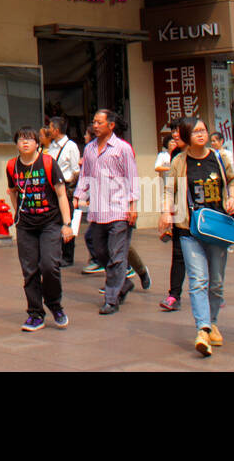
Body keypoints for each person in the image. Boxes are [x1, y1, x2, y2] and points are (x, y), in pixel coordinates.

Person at [160, 116, 234, 356]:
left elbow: (233, 181)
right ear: (186, 137)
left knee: (216, 282)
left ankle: (212, 321)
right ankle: (202, 329)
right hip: (189, 229)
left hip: (217, 228)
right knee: (198, 280)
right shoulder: (179, 161)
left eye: (203, 130)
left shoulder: (219, 157)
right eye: (195, 132)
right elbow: (169, 189)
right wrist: (165, 212)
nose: (201, 134)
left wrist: (233, 197)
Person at [6, 127, 73, 331]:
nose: (25, 142)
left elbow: (61, 194)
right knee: (30, 271)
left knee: (50, 266)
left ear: (37, 143)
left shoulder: (48, 162)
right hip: (26, 225)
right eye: (21, 139)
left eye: (29, 139)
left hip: (49, 223)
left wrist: (67, 224)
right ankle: (35, 313)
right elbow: (12, 191)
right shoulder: (11, 166)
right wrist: (17, 214)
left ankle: (55, 305)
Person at [73, 109, 139, 315]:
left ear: (111, 125)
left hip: (119, 209)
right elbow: (85, 175)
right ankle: (123, 283)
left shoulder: (122, 148)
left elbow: (132, 177)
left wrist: (133, 206)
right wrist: (78, 195)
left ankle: (111, 298)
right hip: (98, 210)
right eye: (93, 122)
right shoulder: (90, 149)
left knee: (117, 255)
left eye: (99, 122)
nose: (95, 125)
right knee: (99, 250)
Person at [156, 123, 187, 313]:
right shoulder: (175, 156)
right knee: (178, 255)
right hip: (181, 213)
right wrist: (167, 211)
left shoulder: (211, 156)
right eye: (173, 131)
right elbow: (171, 187)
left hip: (204, 215)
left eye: (178, 131)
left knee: (208, 256)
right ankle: (174, 295)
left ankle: (214, 292)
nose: (174, 134)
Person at [44, 116, 80, 271]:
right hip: (51, 188)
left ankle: (67, 256)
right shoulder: (52, 146)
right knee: (54, 219)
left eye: (50, 127)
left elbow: (76, 171)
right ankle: (56, 253)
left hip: (64, 187)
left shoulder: (71, 146)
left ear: (57, 130)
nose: (48, 130)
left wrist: (70, 186)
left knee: (67, 219)